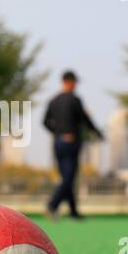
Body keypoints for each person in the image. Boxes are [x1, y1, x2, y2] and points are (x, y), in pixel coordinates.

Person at [43, 70, 103, 220]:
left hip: (58, 143)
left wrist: (57, 133)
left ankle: (73, 212)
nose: (75, 85)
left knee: (67, 177)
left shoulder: (53, 100)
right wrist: (97, 133)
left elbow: (45, 122)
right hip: (71, 144)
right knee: (68, 178)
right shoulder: (75, 100)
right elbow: (85, 120)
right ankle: (52, 205)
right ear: (68, 82)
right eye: (74, 82)